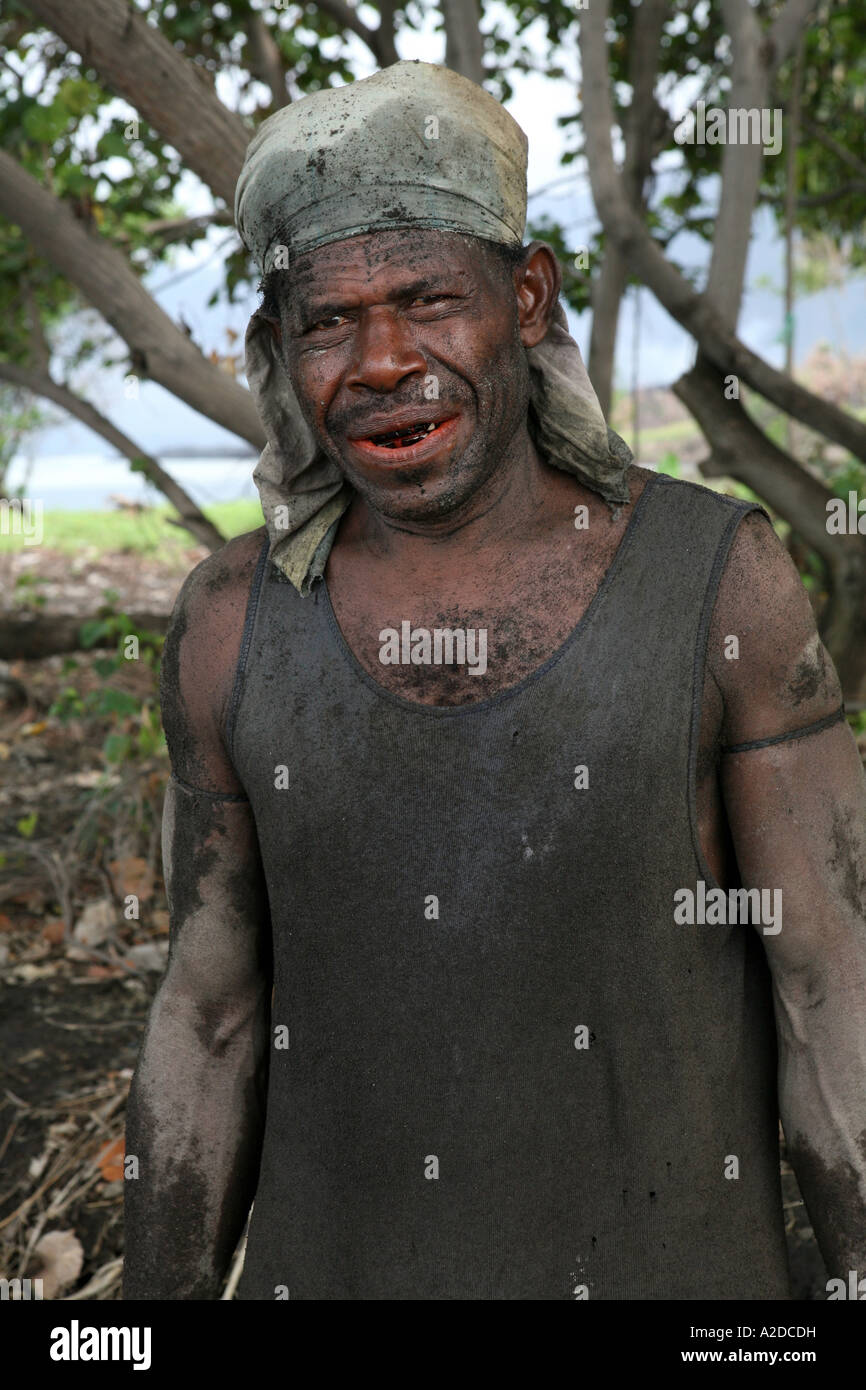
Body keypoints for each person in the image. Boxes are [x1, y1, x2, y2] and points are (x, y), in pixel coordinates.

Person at [123, 60, 866, 1301]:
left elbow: (826, 979)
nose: (379, 360)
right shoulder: (225, 623)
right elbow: (207, 1013)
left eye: (425, 298)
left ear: (525, 297)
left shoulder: (716, 580)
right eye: (327, 321)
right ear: (282, 348)